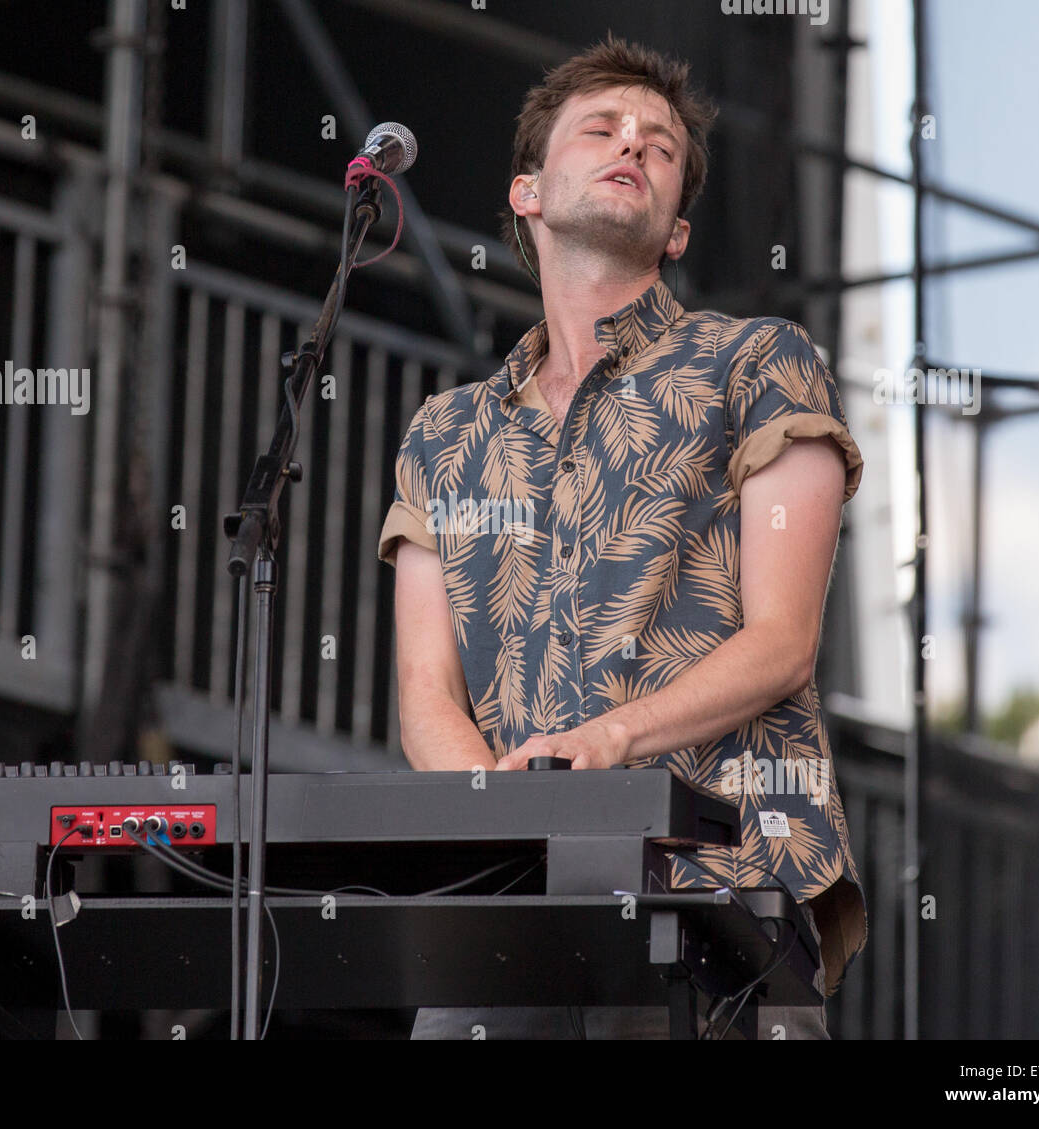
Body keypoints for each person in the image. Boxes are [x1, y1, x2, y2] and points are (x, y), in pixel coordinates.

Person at [378, 32, 866, 1040]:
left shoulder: (759, 362)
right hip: (517, 904)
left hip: (725, 883)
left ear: (676, 232)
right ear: (527, 193)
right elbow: (426, 695)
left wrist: (612, 740)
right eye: (601, 129)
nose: (634, 143)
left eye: (660, 145)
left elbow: (783, 640)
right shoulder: (443, 435)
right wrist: (504, 812)